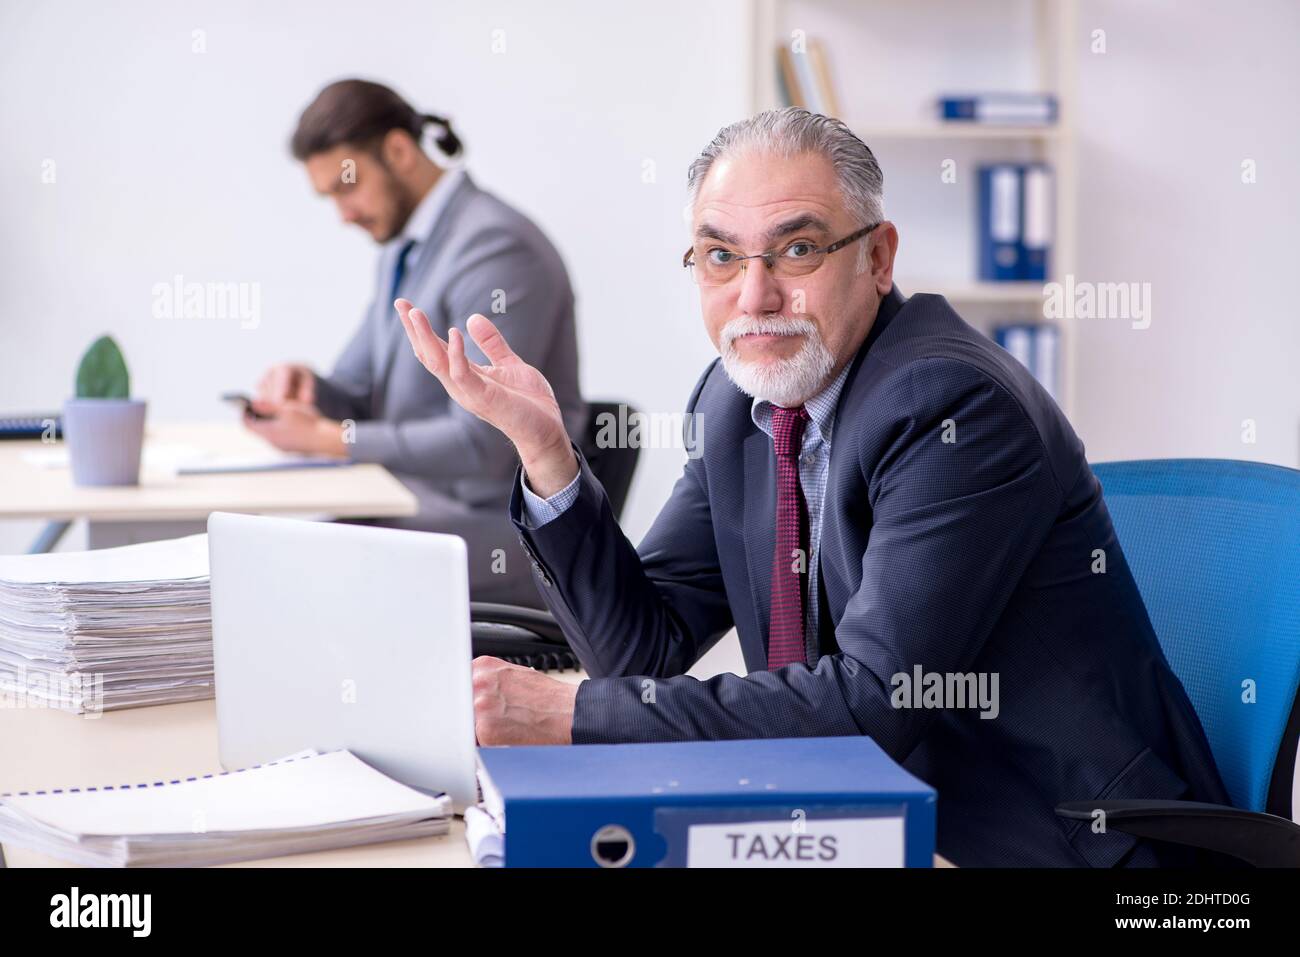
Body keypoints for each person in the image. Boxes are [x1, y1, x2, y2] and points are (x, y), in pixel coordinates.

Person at [394, 108, 1229, 867]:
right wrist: (545, 450)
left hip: (1066, 850)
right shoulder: (740, 401)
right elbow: (641, 653)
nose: (754, 298)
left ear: (878, 256)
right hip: (862, 824)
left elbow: (871, 705)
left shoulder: (954, 407)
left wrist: (568, 716)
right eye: (720, 256)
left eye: (796, 250)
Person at [247, 78, 585, 606]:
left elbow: (486, 445)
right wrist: (311, 389)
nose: (344, 213)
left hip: (492, 524)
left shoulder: (494, 249)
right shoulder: (404, 247)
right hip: (415, 504)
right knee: (276, 556)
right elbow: (361, 391)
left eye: (346, 186)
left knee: (290, 572)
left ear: (398, 151)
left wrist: (333, 440)